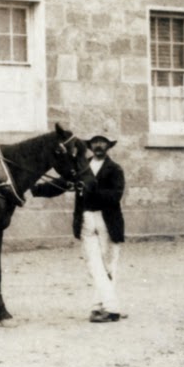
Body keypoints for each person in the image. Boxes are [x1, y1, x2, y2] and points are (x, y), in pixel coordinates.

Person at [72, 133, 126, 323]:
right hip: (86, 219)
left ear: (108, 146)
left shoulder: (115, 169)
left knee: (107, 265)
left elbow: (115, 196)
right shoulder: (82, 167)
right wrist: (38, 190)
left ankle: (102, 307)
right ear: (90, 146)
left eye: (102, 142)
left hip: (107, 220)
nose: (99, 146)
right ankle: (110, 307)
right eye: (95, 142)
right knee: (94, 264)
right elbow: (64, 183)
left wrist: (91, 190)